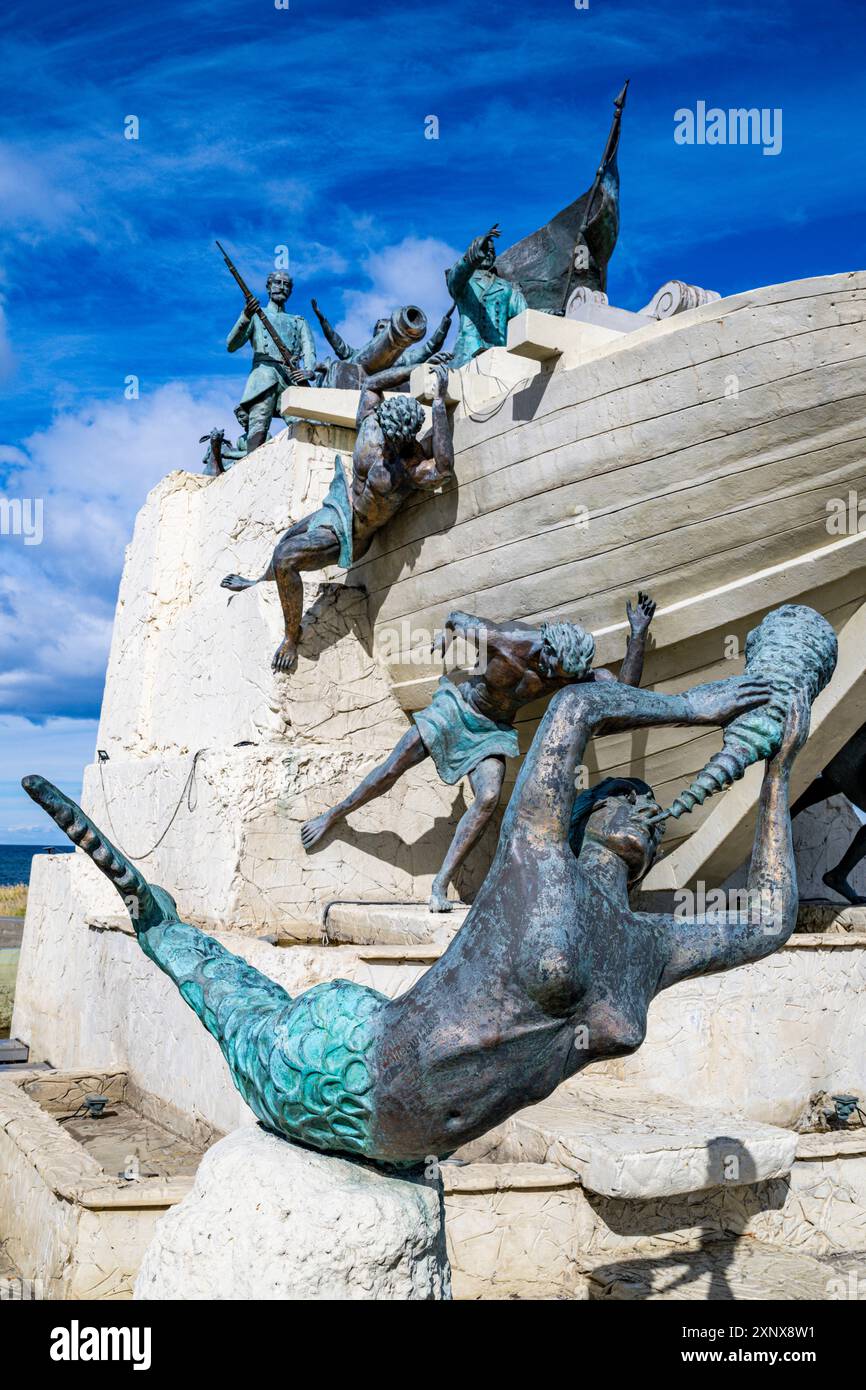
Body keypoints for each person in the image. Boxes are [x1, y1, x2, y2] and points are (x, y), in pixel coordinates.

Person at [24, 668, 790, 1167]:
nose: (651, 809)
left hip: (406, 1133)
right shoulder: (534, 859)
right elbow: (575, 705)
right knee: (238, 1013)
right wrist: (696, 706)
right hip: (350, 1068)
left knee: (247, 1011)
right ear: (583, 814)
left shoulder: (648, 949)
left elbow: (767, 918)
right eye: (633, 795)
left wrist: (780, 770)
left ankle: (162, 923)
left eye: (654, 811)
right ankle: (155, 918)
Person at [301, 593, 657, 911]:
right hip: (456, 709)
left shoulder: (565, 671)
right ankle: (333, 815)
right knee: (393, 767)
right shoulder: (509, 640)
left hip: (492, 731)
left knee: (488, 799)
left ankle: (440, 885)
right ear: (546, 650)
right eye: (555, 670)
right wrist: (446, 633)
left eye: (565, 676)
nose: (557, 679)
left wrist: (638, 635)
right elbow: (457, 617)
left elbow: (623, 694)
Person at [221, 362, 454, 673]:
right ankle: (258, 580)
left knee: (286, 559)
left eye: (393, 442)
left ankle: (292, 637)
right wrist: (419, 369)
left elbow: (443, 468)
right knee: (285, 541)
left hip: (352, 534)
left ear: (404, 439)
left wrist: (439, 404)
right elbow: (371, 384)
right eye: (384, 433)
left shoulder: (410, 468)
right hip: (338, 505)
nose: (385, 444)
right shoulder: (372, 428)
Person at [226, 269, 316, 453]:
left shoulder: (298, 321)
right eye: (278, 283)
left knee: (304, 428)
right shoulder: (256, 316)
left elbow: (309, 350)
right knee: (258, 429)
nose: (282, 287)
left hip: (292, 379)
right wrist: (245, 315)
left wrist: (309, 370)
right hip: (264, 376)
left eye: (287, 285)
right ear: (269, 287)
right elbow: (231, 344)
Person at [446, 223, 528, 367]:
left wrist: (551, 313)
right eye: (485, 250)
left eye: (491, 251)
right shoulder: (464, 282)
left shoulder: (507, 288)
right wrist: (477, 249)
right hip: (467, 357)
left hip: (498, 358)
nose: (488, 254)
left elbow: (525, 315)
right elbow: (456, 275)